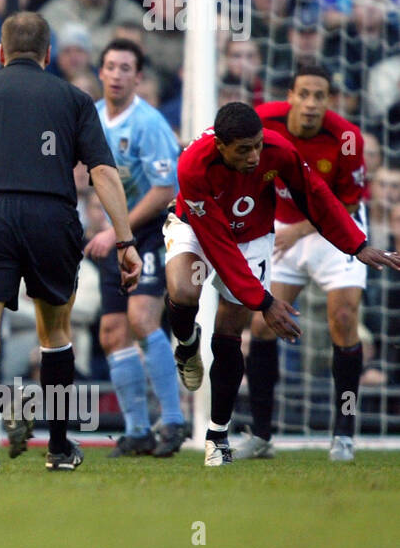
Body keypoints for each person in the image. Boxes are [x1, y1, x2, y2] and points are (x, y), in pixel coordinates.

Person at [0, 12, 142, 473]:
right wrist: (125, 240)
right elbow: (102, 172)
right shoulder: (75, 100)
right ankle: (58, 449)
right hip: (50, 217)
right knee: (55, 334)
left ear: (0, 53)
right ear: (48, 54)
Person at [161, 101, 400, 466]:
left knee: (230, 329)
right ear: (222, 147)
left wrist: (357, 243)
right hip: (198, 228)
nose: (255, 155)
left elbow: (315, 195)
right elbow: (218, 245)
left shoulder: (277, 149)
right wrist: (265, 301)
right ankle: (187, 342)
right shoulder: (193, 165)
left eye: (257, 145)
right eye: (244, 150)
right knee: (183, 290)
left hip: (253, 235)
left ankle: (217, 435)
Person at [241, 67, 371, 461]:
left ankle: (343, 434)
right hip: (281, 228)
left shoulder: (347, 138)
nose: (312, 104)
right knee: (262, 324)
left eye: (320, 96)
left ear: (329, 101)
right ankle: (261, 435)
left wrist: (297, 231)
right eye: (305, 95)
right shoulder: (263, 122)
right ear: (291, 97)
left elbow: (348, 202)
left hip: (334, 229)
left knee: (344, 319)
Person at [84, 39, 188, 458]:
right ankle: (138, 430)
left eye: (126, 68)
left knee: (143, 318)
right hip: (116, 229)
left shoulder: (150, 124)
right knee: (112, 332)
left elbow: (165, 189)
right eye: (110, 66)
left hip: (150, 230)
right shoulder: (91, 117)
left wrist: (117, 231)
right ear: (101, 72)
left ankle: (176, 422)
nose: (116, 74)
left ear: (138, 77)